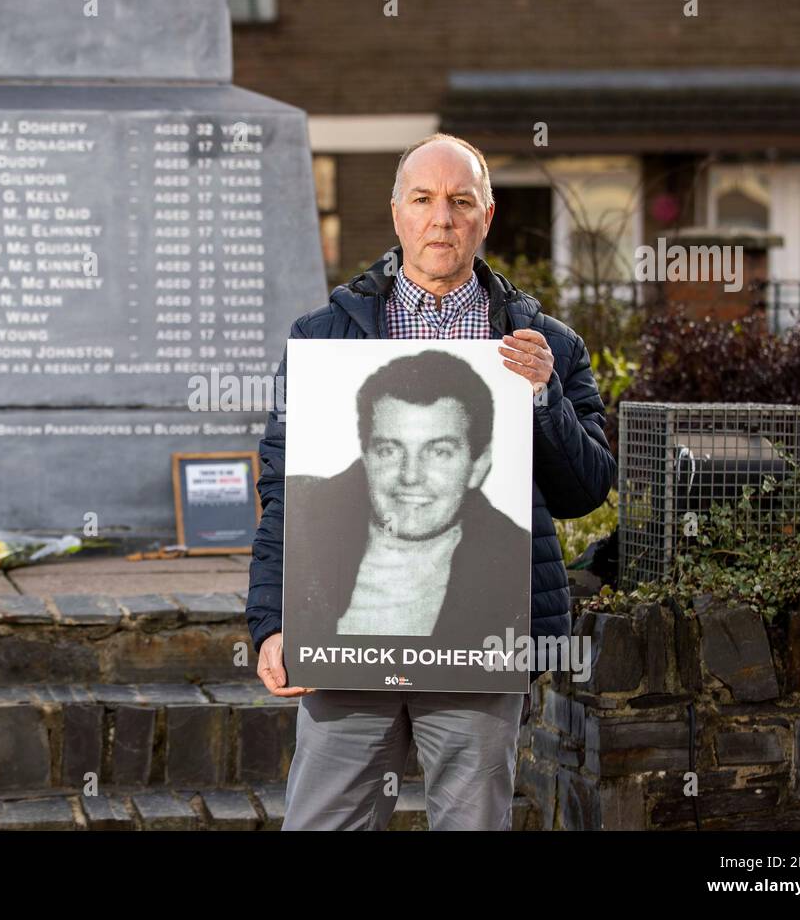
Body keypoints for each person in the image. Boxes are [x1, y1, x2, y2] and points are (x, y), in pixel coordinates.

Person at [246, 133, 616, 830]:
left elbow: (586, 491)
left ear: (487, 215)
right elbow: (282, 493)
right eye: (423, 199)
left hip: (481, 639)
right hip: (344, 641)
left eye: (460, 201)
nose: (441, 218)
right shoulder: (323, 338)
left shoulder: (549, 346)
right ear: (397, 212)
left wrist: (545, 399)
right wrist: (271, 621)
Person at [284, 349, 530, 650]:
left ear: (478, 466)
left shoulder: (518, 564)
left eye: (439, 452)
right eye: (389, 450)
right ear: (366, 457)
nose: (410, 476)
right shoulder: (297, 518)